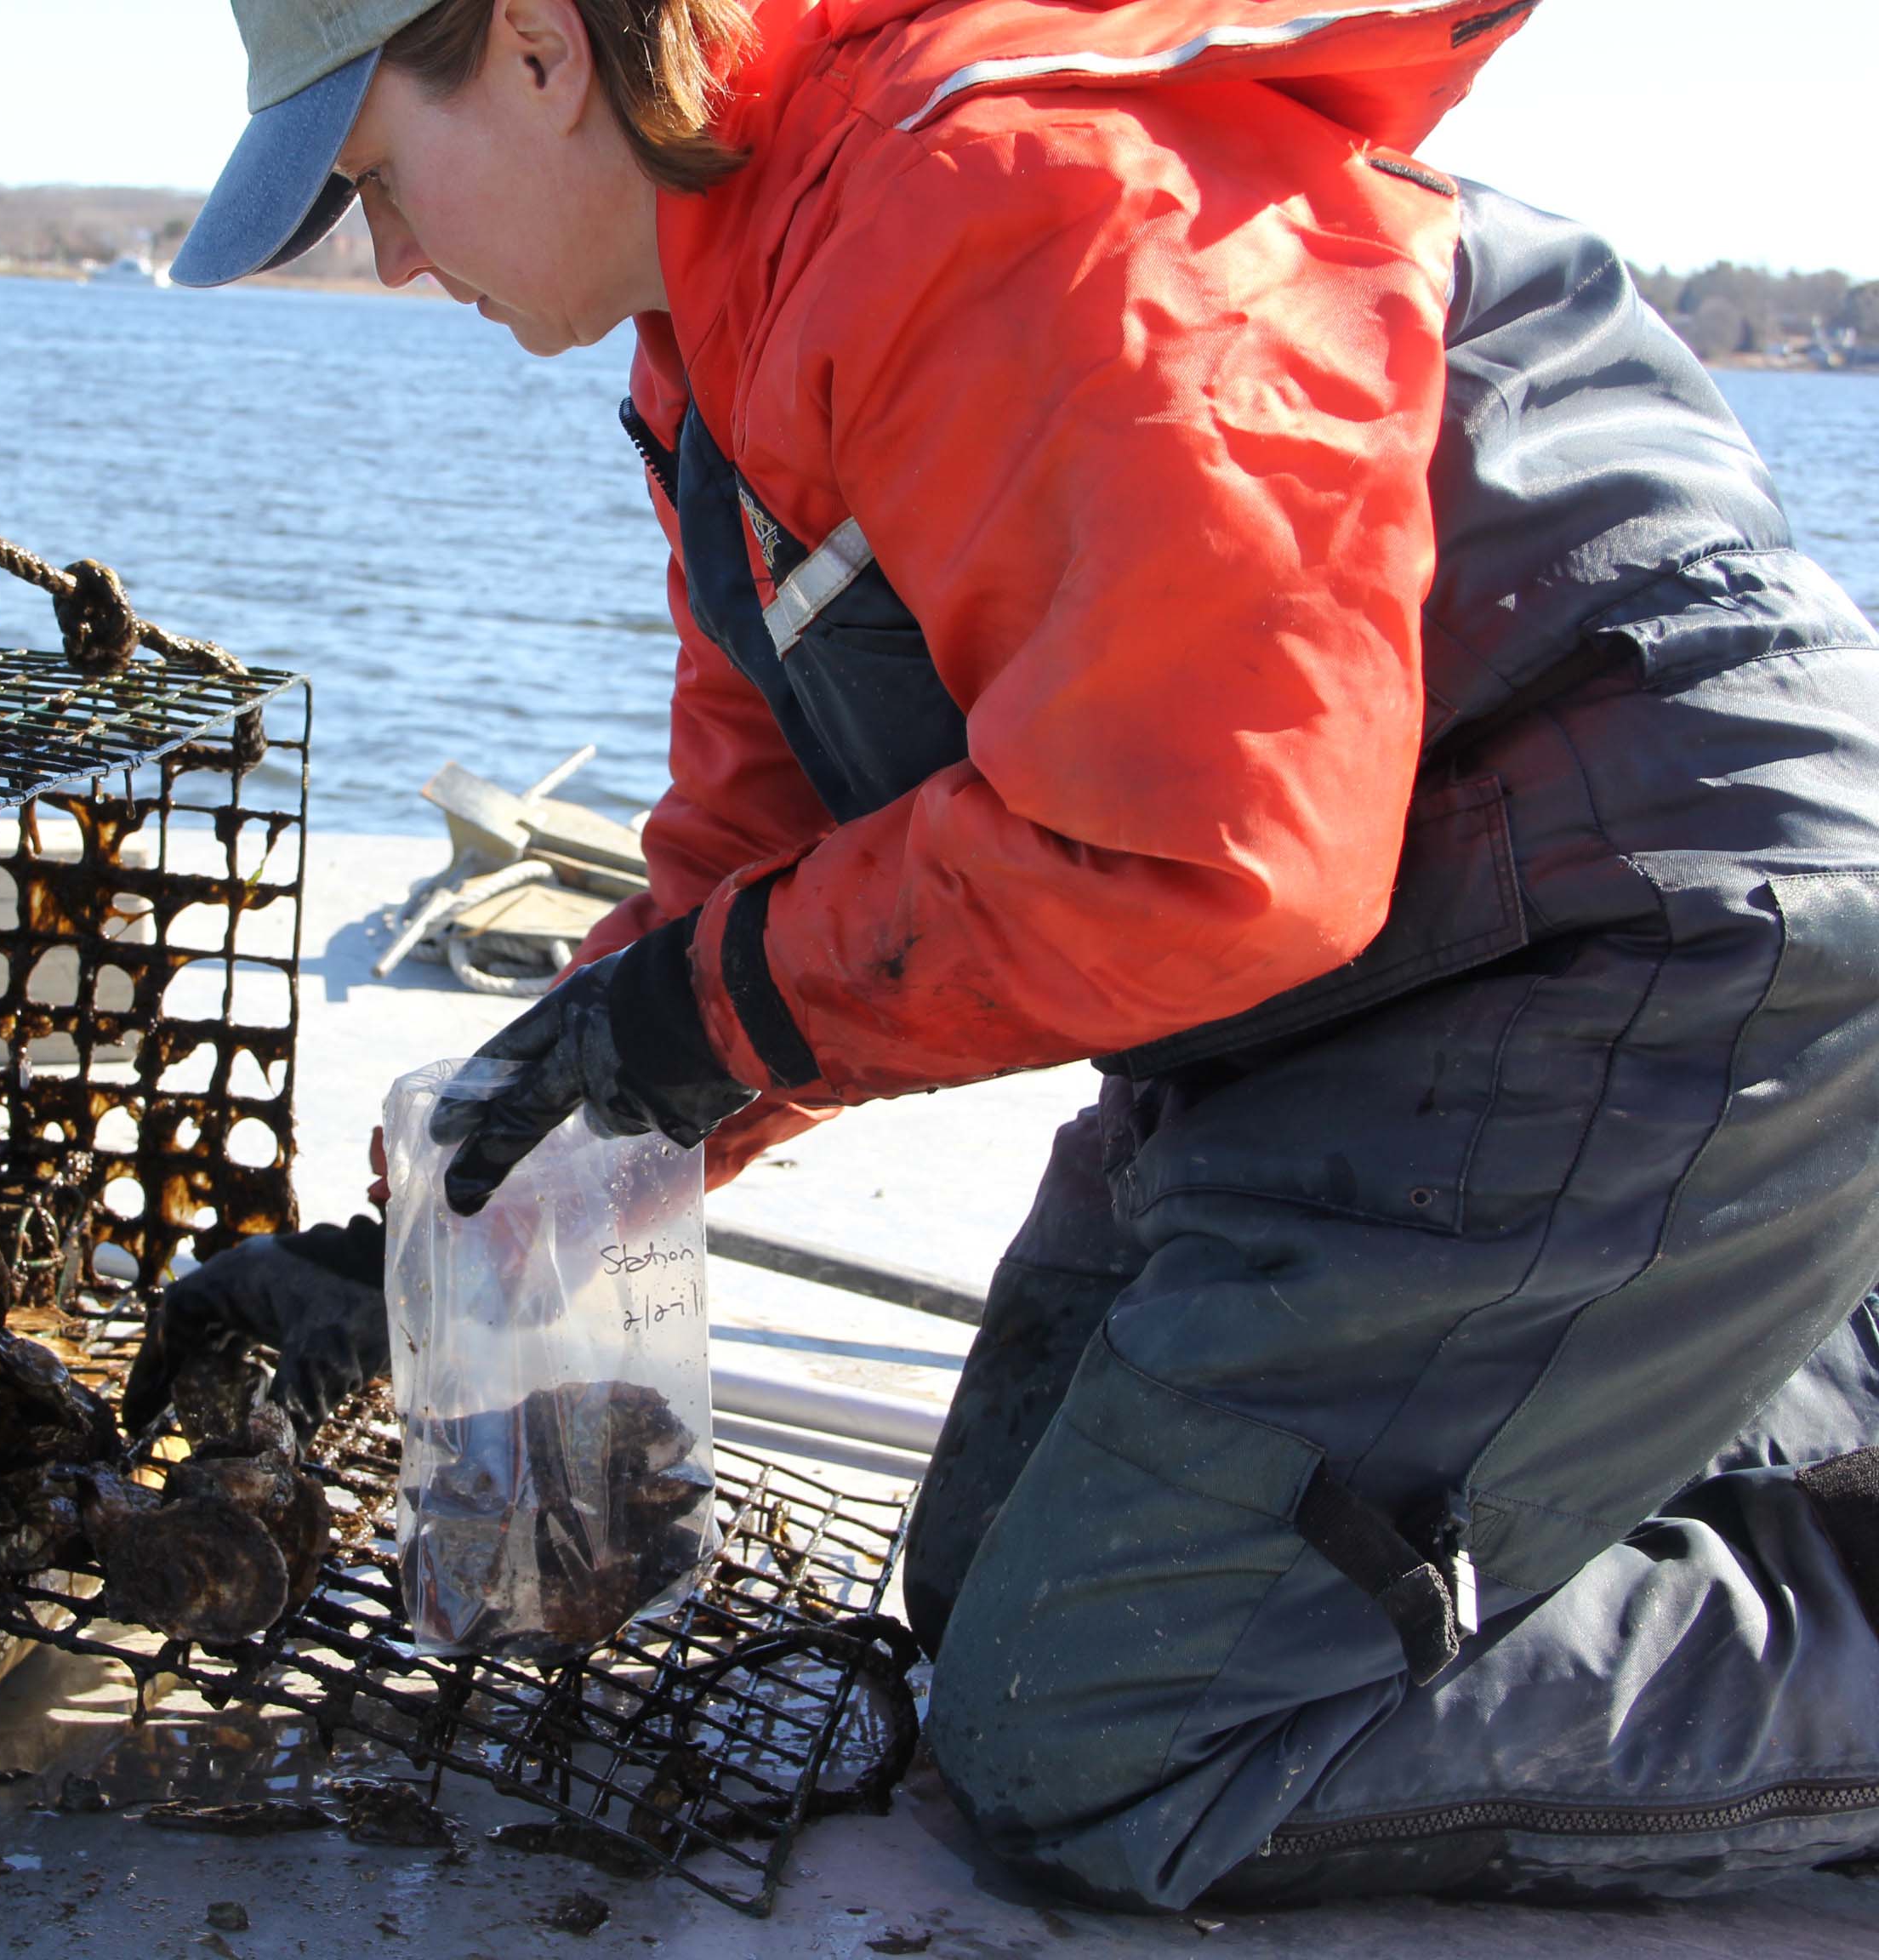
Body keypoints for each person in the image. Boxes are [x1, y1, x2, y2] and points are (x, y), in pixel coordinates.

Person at [124, 0, 1879, 1912]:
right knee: (986, 1599)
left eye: (373, 175)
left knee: (1102, 1736)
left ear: (544, 49)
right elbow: (756, 868)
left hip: (1646, 933)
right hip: (1361, 1001)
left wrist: (691, 1021)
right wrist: (424, 1228)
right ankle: (1739, 1342)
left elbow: (1215, 842)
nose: (384, 254)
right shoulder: (726, 328)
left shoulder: (983, 198)